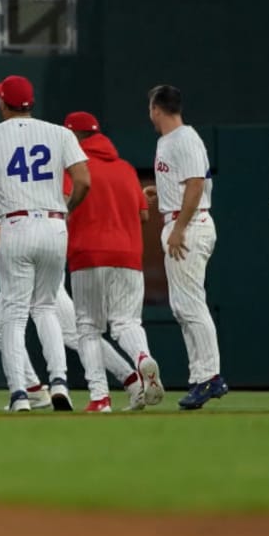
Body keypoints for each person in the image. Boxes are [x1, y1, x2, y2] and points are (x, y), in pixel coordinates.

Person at [0, 75, 90, 412]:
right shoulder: (60, 133)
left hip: (16, 224)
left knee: (14, 316)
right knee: (45, 309)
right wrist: (66, 211)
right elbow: (84, 180)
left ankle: (19, 395)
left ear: (3, 103)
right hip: (55, 225)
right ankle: (59, 383)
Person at [61, 111, 161, 413]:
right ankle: (143, 358)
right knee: (127, 322)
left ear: (74, 137)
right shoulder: (125, 169)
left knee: (89, 328)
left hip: (88, 254)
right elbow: (144, 215)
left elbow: (66, 203)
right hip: (128, 254)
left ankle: (100, 398)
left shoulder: (74, 168)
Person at [144, 84, 226, 410]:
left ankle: (210, 377)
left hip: (189, 226)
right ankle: (201, 376)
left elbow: (196, 184)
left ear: (156, 108)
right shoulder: (169, 140)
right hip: (180, 220)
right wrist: (161, 193)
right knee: (182, 306)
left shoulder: (185, 138)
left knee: (190, 304)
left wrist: (178, 228)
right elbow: (184, 183)